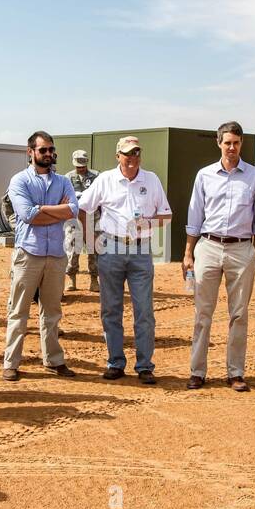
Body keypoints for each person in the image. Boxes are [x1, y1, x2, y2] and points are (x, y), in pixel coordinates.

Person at [77, 135, 173, 384]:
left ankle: (144, 366)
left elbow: (167, 215)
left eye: (136, 154)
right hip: (111, 249)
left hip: (141, 252)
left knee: (144, 311)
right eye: (127, 154)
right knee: (111, 309)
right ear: (117, 156)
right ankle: (115, 362)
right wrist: (90, 241)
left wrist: (148, 223)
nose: (132, 159)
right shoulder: (105, 180)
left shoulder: (151, 180)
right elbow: (82, 208)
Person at [183, 121, 255, 392]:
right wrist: (188, 254)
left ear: (241, 144)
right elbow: (194, 217)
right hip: (208, 246)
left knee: (239, 314)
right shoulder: (204, 175)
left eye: (236, 143)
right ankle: (197, 371)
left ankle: (235, 373)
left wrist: (254, 252)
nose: (232, 148)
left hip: (242, 249)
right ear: (218, 143)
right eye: (227, 142)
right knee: (202, 313)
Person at [2, 131, 78, 381]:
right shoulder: (19, 181)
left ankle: (54, 360)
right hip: (28, 253)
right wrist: (55, 210)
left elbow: (73, 210)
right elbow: (27, 215)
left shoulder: (63, 181)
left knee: (52, 312)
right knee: (18, 310)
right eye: (42, 150)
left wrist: (42, 210)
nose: (48, 154)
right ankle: (11, 363)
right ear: (31, 152)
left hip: (56, 254)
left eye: (50, 150)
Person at [64, 149, 99, 292]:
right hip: (74, 219)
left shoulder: (96, 176)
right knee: (73, 248)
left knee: (94, 249)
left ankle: (94, 280)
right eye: (78, 166)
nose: (81, 168)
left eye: (83, 165)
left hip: (93, 218)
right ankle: (71, 278)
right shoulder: (67, 178)